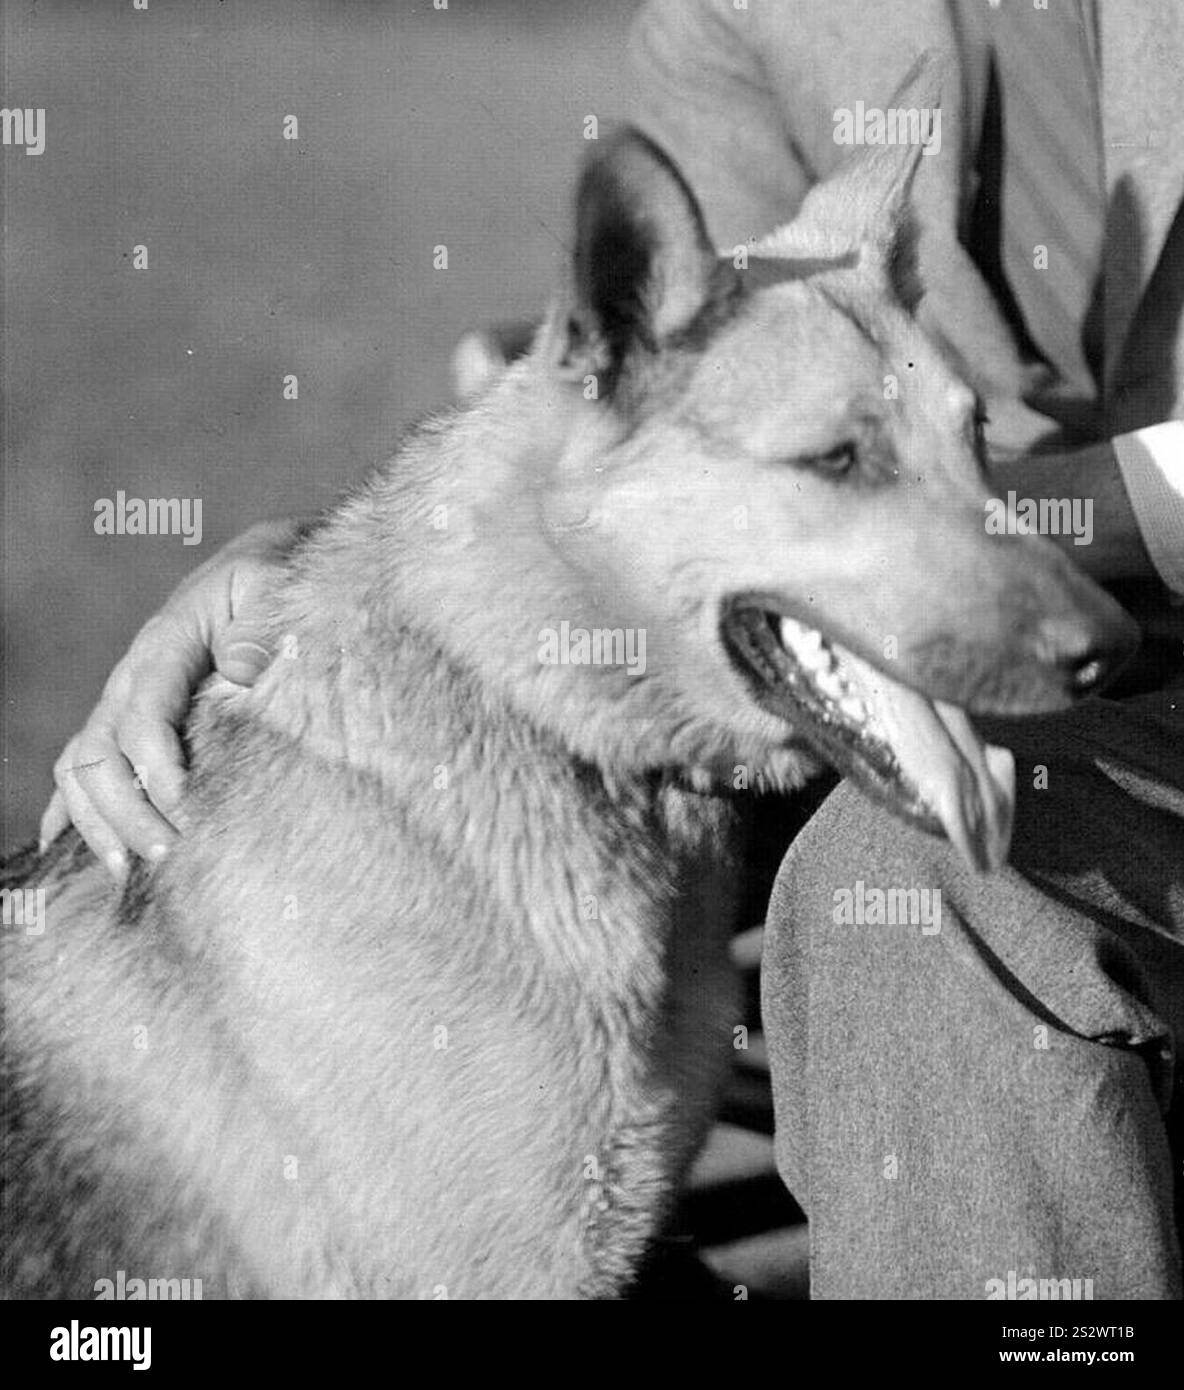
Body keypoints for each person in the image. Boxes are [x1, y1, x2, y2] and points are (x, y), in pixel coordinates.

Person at [43, 0, 1184, 1297]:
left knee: (919, 895)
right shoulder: (735, 21)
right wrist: (289, 570)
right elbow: (678, 383)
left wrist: (978, 526)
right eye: (840, 464)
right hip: (892, 659)